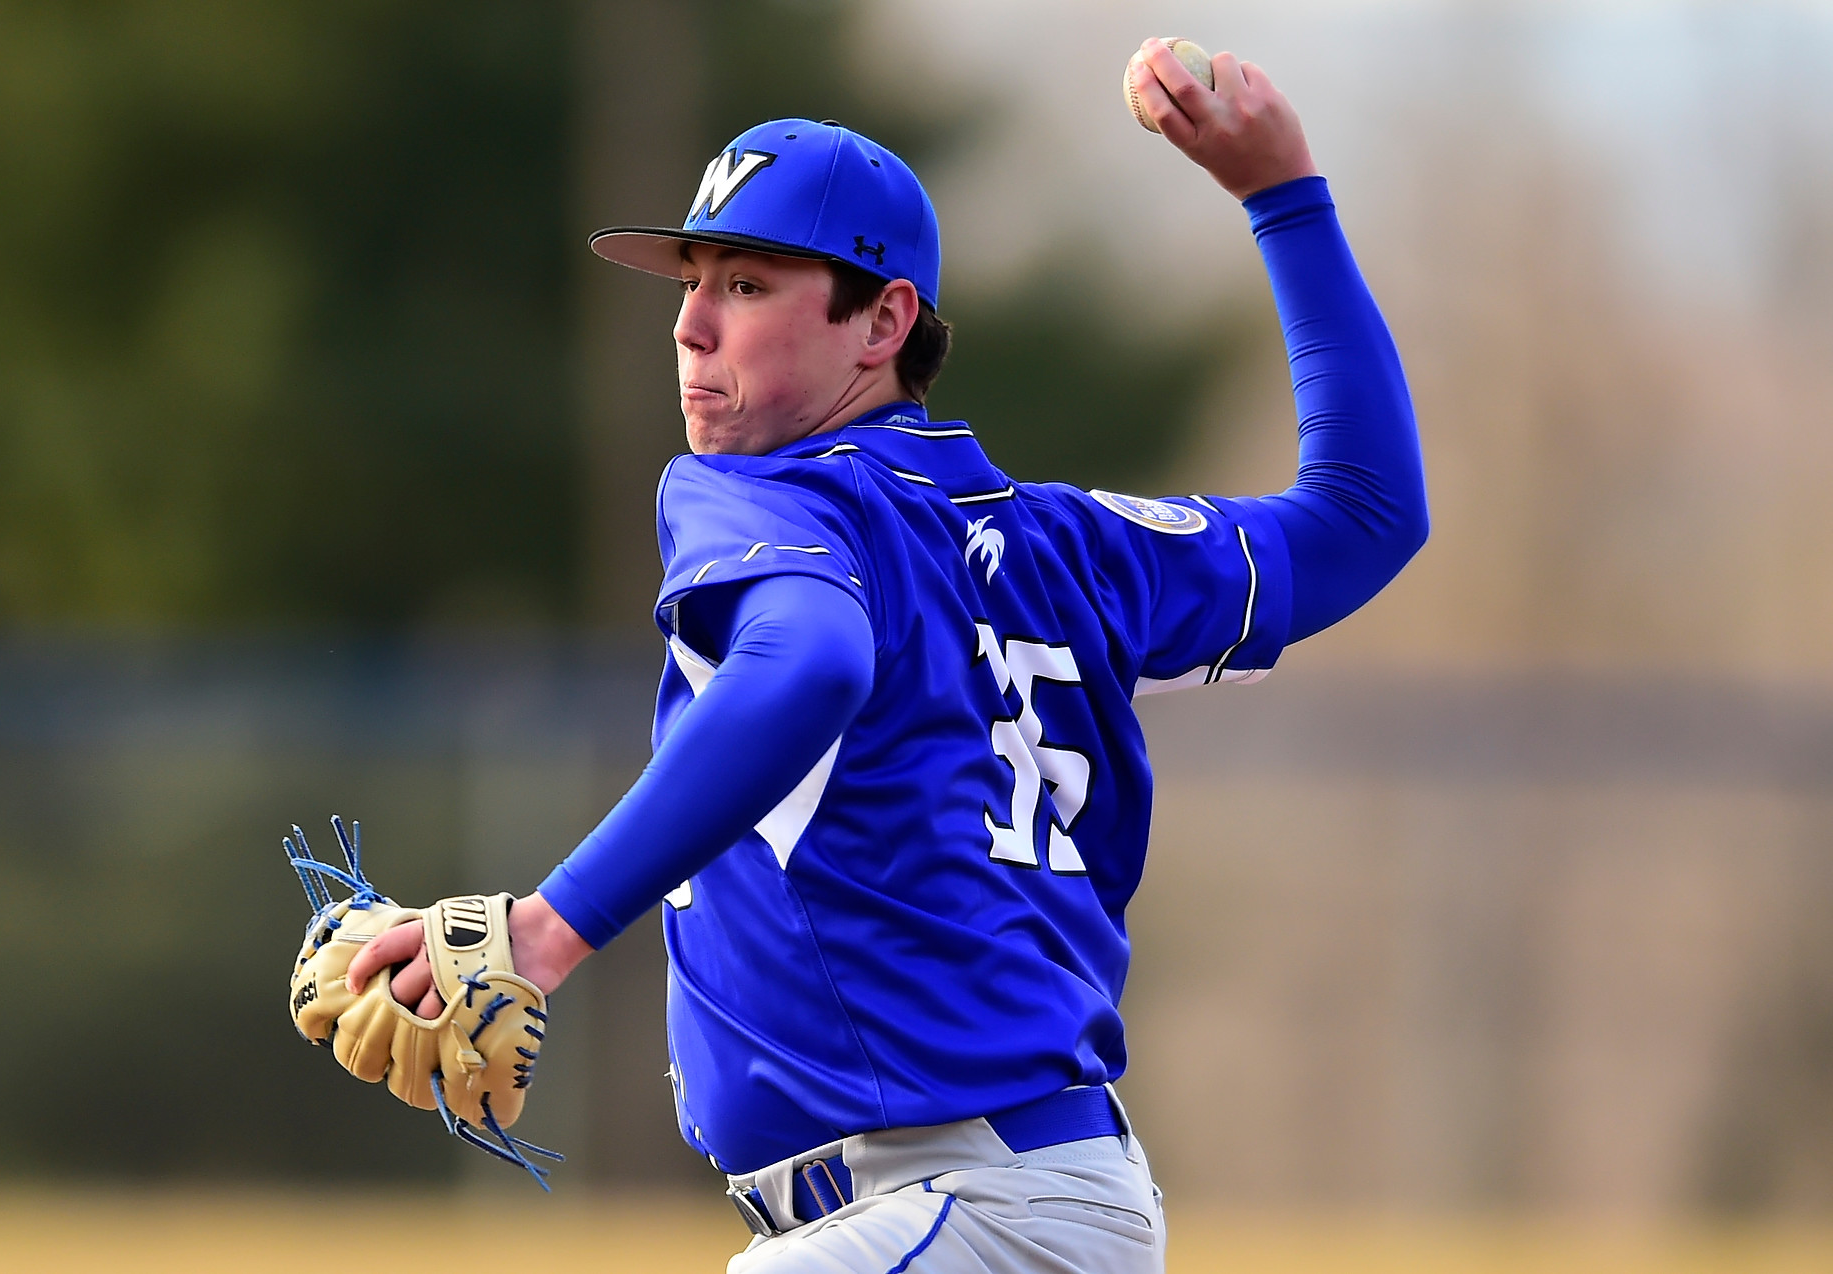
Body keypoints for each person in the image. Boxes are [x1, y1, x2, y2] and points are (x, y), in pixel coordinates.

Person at [348, 40, 1428, 1273]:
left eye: (748, 284)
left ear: (883, 320)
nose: (691, 324)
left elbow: (808, 661)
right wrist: (1283, 197)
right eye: (691, 279)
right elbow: (1364, 516)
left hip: (967, 1201)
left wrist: (547, 927)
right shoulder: (1074, 542)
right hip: (1018, 1205)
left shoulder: (766, 499)